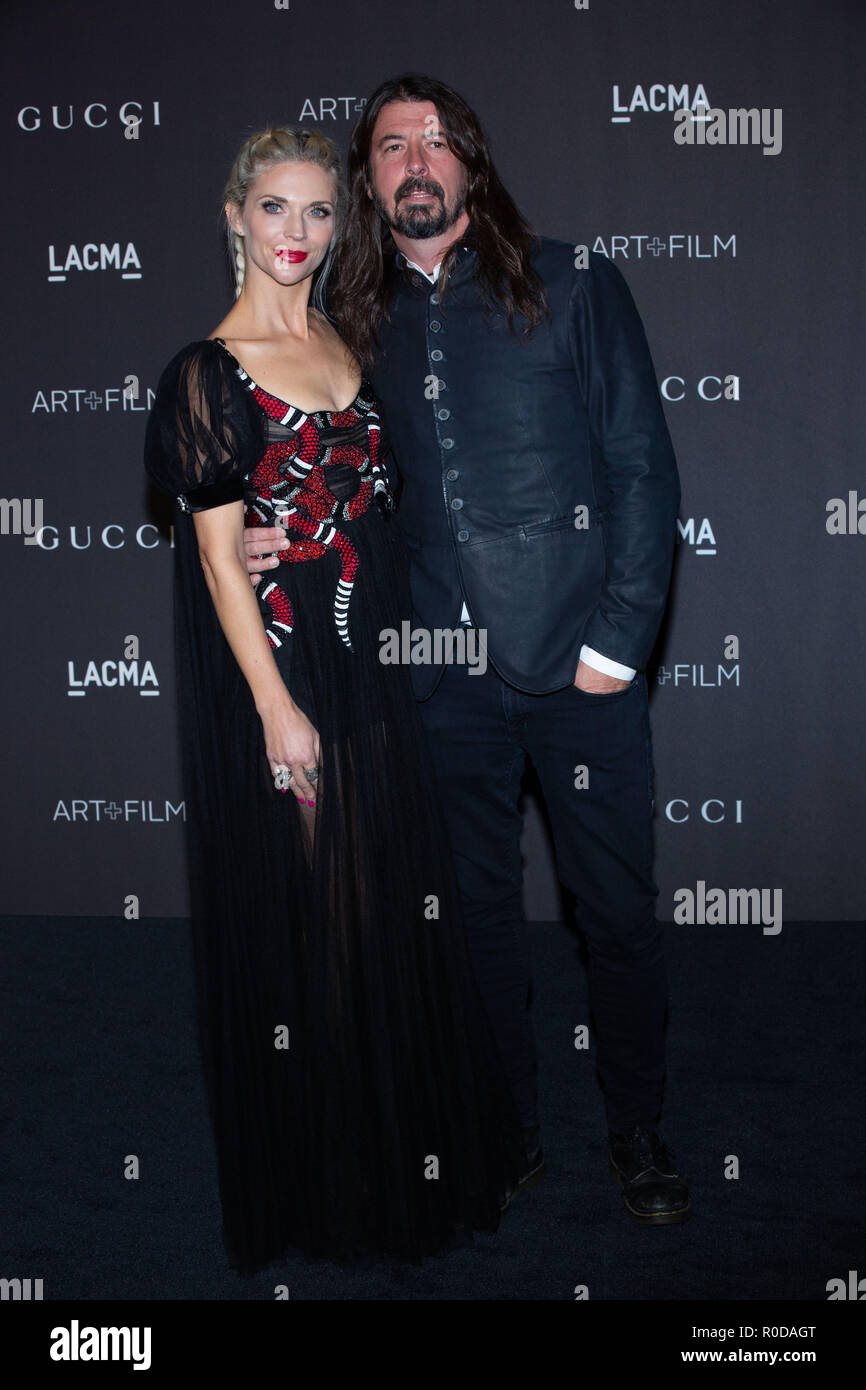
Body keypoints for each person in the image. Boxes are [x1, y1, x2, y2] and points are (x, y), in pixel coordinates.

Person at [245, 77, 691, 1225]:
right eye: (390, 145)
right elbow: (342, 487)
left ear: (470, 161)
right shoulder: (355, 319)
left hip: (578, 671)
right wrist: (270, 532)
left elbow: (642, 469)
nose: (413, 160)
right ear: (368, 180)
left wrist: (618, 644)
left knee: (616, 914)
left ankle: (636, 1127)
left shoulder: (572, 279)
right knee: (474, 921)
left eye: (433, 140)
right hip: (439, 676)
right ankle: (510, 1124)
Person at [144, 125, 525, 1274]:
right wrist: (272, 707)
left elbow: (367, 501)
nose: (297, 233)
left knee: (382, 911)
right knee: (320, 925)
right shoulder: (206, 370)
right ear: (234, 217)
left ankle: (401, 1148)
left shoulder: (345, 342)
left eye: (317, 211)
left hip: (370, 664)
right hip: (286, 668)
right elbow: (217, 559)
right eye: (274, 209)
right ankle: (332, 1184)